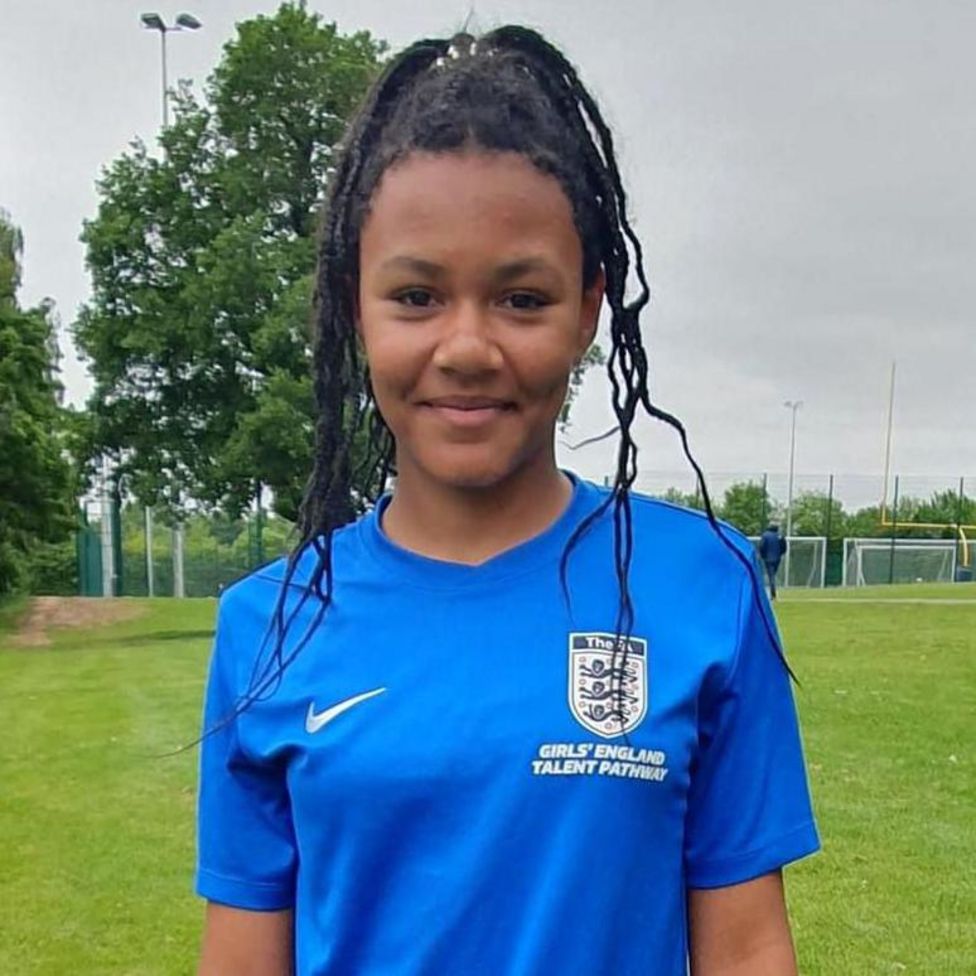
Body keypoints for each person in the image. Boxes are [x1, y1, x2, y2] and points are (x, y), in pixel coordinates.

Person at [195, 27, 819, 976]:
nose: (468, 346)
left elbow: (746, 949)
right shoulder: (268, 626)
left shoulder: (707, 589)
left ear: (588, 311)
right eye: (416, 296)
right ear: (354, 305)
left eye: (522, 299)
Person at [759, 523, 788, 599]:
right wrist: (780, 554)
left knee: (771, 576)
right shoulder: (780, 536)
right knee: (772, 575)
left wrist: (763, 555)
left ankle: (773, 594)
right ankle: (772, 592)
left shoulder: (765, 535)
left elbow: (761, 546)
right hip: (777, 558)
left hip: (768, 559)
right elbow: (784, 547)